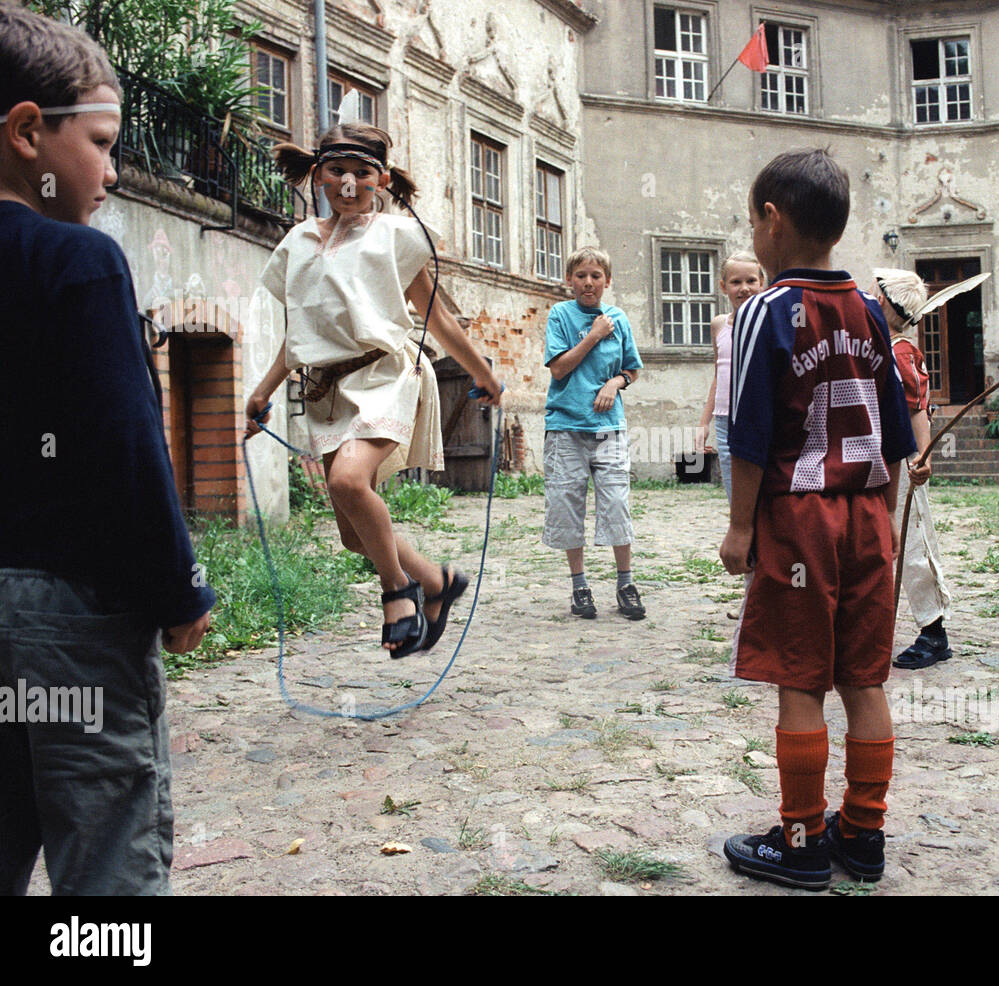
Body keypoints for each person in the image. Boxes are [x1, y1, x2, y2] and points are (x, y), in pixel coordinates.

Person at [0, 5, 214, 894]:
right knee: (105, 855)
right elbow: (125, 451)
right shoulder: (76, 259)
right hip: (71, 622)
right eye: (99, 141)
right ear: (25, 132)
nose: (114, 171)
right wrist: (176, 590)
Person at [720, 149, 916, 890]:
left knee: (800, 679)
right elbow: (895, 435)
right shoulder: (870, 310)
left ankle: (800, 840)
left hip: (800, 515)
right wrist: (887, 519)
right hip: (867, 510)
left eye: (753, 221)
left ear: (772, 222)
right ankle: (863, 835)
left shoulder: (766, 312)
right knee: (865, 679)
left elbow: (749, 434)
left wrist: (741, 529)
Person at [246, 123, 502, 658]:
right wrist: (262, 390)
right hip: (327, 390)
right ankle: (435, 581)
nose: (348, 182)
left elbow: (441, 318)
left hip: (386, 374)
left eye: (362, 173)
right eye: (337, 170)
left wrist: (481, 371)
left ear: (380, 179)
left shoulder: (394, 237)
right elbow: (300, 334)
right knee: (351, 533)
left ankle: (397, 591)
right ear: (318, 174)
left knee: (346, 480)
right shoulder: (298, 243)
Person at [542, 247, 645, 620]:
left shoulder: (619, 318)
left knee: (616, 503)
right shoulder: (561, 315)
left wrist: (615, 384)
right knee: (568, 506)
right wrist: (594, 334)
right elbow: (558, 370)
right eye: (581, 275)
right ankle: (580, 586)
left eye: (596, 276)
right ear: (570, 280)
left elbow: (632, 369)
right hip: (566, 426)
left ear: (607, 281)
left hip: (609, 428)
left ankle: (625, 584)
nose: (588, 282)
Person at [871, 268, 954, 670]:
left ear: (884, 300)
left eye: (874, 291)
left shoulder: (901, 351)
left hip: (901, 459)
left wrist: (923, 457)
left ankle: (934, 632)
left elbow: (918, 409)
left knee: (913, 542)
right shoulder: (872, 343)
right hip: (872, 457)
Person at [695, 252, 764, 502]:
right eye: (736, 282)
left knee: (761, 497)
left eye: (751, 281)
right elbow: (719, 374)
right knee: (736, 499)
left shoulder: (767, 323)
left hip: (756, 418)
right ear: (723, 287)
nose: (744, 289)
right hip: (725, 422)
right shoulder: (719, 325)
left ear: (761, 283)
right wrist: (704, 423)